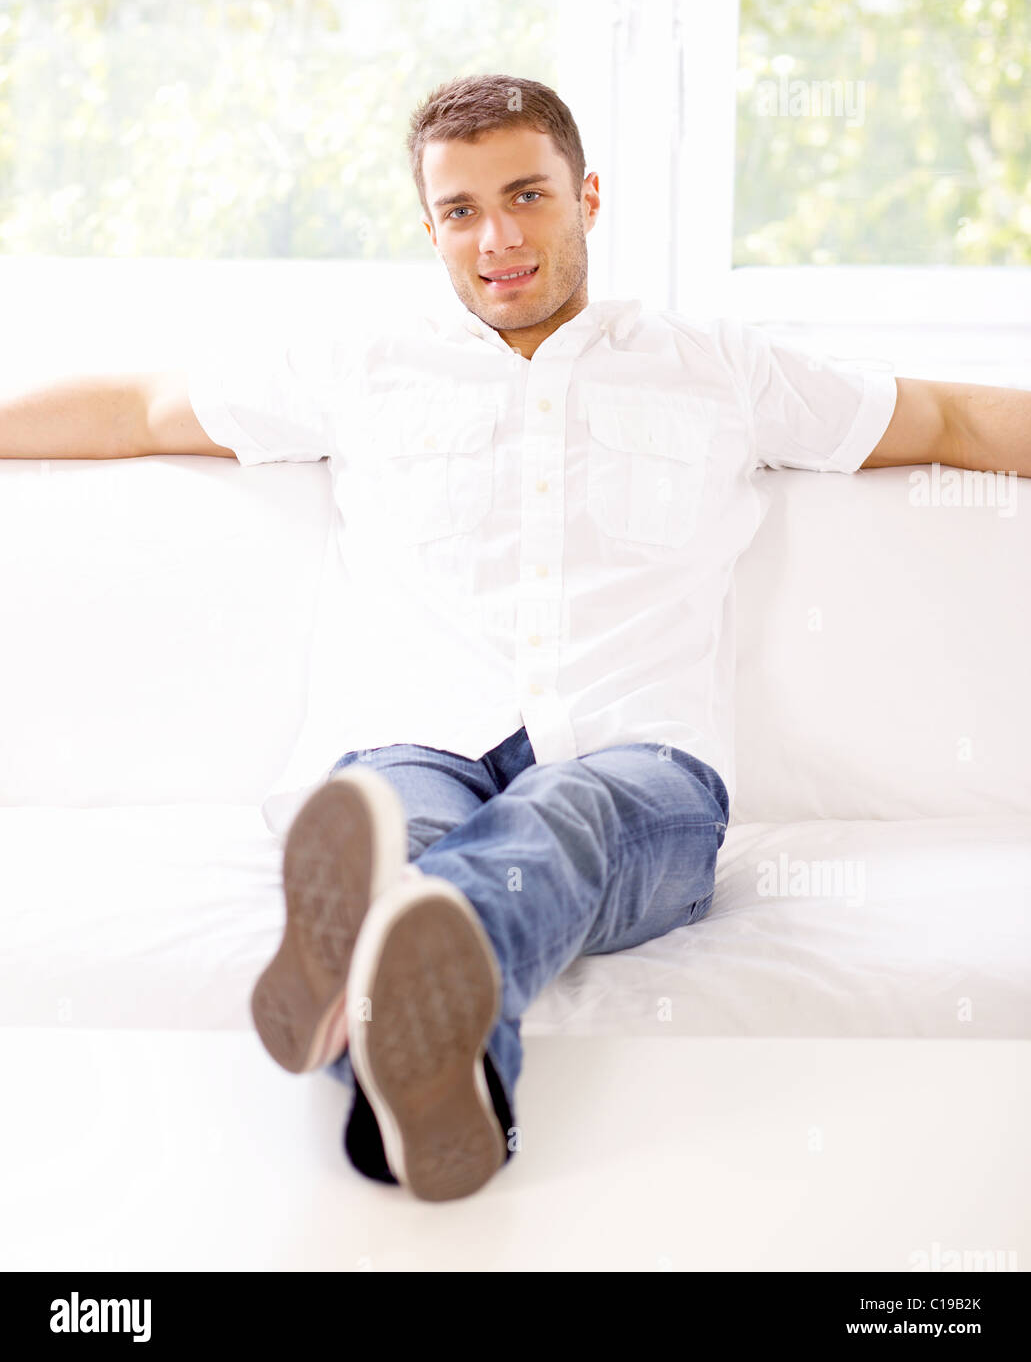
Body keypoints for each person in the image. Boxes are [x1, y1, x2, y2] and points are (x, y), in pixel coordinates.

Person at [3, 73, 1025, 1204]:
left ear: (587, 196)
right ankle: (438, 1084)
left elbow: (942, 416)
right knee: (396, 835)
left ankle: (362, 963)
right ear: (428, 224)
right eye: (459, 211)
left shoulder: (718, 367)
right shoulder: (361, 364)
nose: (495, 239)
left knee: (558, 816)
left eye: (527, 196)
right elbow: (137, 410)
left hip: (638, 769)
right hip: (407, 745)